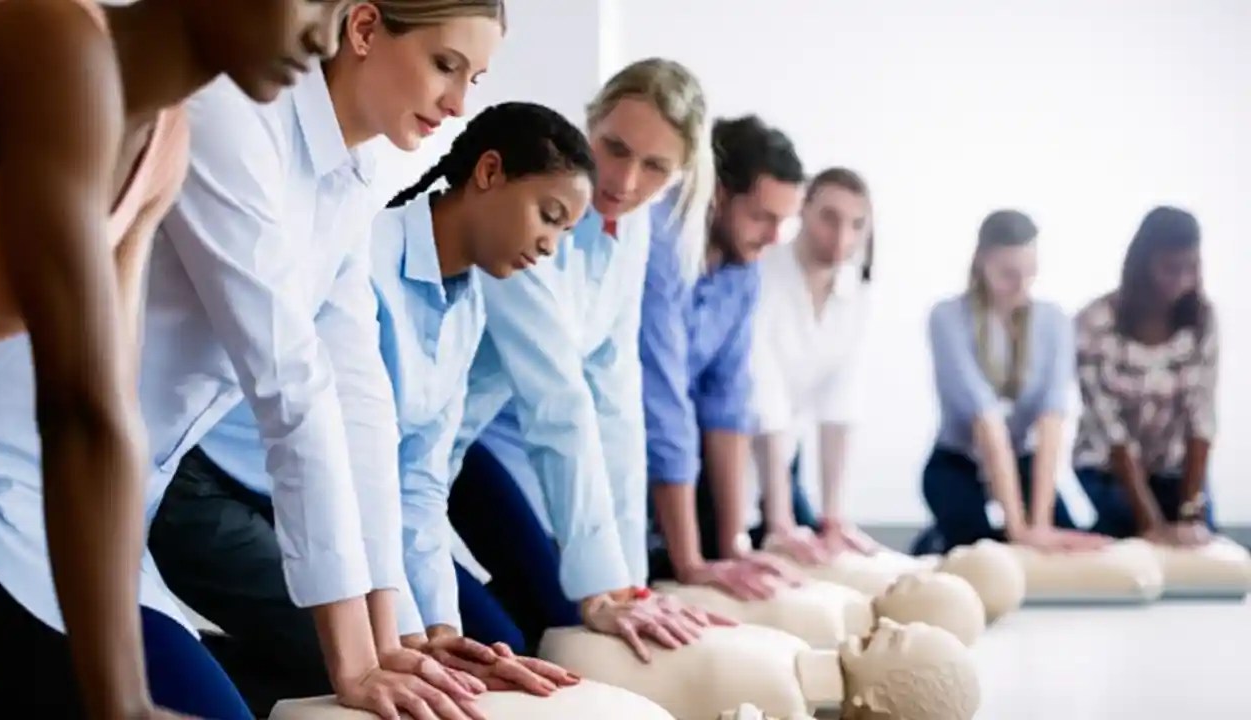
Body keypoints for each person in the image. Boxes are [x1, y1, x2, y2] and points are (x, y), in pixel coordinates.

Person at [152, 100, 595, 715]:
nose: (549, 245)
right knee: (336, 656)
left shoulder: (467, 308)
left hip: (311, 507)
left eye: (565, 233)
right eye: (548, 217)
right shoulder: (371, 248)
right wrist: (395, 640)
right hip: (215, 487)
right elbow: (343, 454)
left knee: (473, 653)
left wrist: (435, 628)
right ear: (488, 173)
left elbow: (417, 481)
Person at [0, 0, 350, 717]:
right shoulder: (56, 45)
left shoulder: (165, 142)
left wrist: (130, 698)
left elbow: (111, 407)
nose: (324, 37)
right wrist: (123, 704)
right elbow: (78, 408)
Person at [139, 3, 505, 719]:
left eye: (476, 79)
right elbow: (291, 388)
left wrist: (393, 633)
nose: (460, 104)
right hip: (15, 482)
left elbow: (360, 405)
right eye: (445, 65)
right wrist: (353, 665)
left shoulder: (357, 173)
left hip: (117, 504)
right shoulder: (235, 117)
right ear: (364, 29)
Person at [447, 57, 732, 661]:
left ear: (680, 173)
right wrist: (600, 589)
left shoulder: (632, 229)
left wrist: (630, 581)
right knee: (533, 633)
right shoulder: (532, 205)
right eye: (615, 148)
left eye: (655, 166)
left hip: (464, 442)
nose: (626, 182)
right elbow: (560, 400)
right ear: (590, 123)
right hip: (466, 441)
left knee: (560, 621)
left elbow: (616, 401)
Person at [641, 115, 807, 600]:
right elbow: (661, 402)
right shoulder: (659, 242)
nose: (775, 238)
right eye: (762, 217)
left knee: (741, 565)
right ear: (715, 194)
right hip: (619, 438)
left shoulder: (744, 271)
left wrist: (732, 543)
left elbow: (728, 402)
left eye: (784, 221)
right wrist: (691, 562)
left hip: (677, 442)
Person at [917, 210, 1108, 554]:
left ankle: (1021, 524)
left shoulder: (1054, 321)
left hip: (1022, 460)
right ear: (981, 263)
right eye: (1007, 274)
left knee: (1062, 535)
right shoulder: (946, 318)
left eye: (1028, 272)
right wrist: (1020, 531)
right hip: (957, 460)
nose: (1020, 285)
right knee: (978, 543)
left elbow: (1052, 419)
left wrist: (1041, 524)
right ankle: (934, 542)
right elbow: (985, 419)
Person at [746, 168, 882, 566]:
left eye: (856, 224)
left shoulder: (856, 294)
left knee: (822, 551)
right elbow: (763, 401)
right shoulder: (762, 273)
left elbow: (840, 408)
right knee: (776, 547)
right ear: (802, 209)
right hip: (735, 453)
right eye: (829, 217)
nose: (842, 237)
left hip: (786, 454)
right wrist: (780, 522)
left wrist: (834, 518)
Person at [1073, 206, 1219, 546]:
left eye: (1191, 268)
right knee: (1129, 539)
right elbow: (1112, 433)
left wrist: (1189, 513)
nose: (1181, 280)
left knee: (1200, 542)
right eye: (1170, 269)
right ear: (1143, 264)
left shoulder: (1203, 321)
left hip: (1174, 471)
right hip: (1109, 471)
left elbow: (1202, 417)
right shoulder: (1093, 324)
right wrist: (1151, 524)